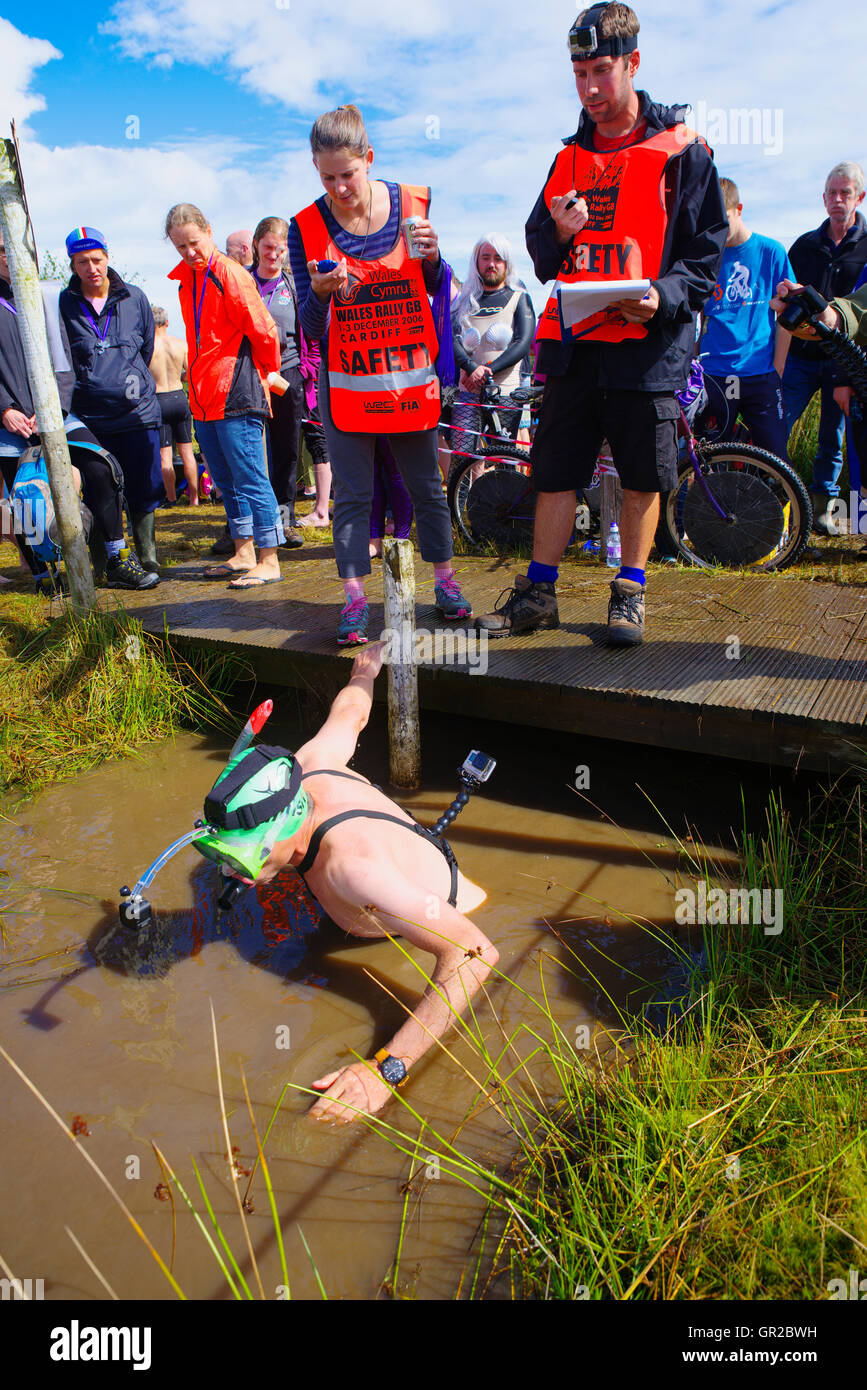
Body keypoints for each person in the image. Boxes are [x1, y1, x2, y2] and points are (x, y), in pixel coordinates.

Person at [476, 3, 726, 646]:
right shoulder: (566, 159)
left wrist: (664, 297)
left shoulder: (684, 151)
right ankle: (537, 596)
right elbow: (538, 252)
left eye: (602, 71)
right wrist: (557, 232)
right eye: (579, 72)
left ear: (633, 64)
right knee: (555, 469)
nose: (589, 87)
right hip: (572, 345)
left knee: (642, 474)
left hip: (647, 347)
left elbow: (704, 261)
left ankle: (630, 593)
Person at [226, 641, 497, 1122]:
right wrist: (365, 672)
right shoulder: (309, 764)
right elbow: (350, 712)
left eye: (246, 856)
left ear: (286, 828)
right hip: (389, 885)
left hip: (440, 918)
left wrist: (386, 1071)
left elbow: (476, 957)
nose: (233, 871)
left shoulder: (352, 869)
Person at [288, 103, 472, 646]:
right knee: (351, 495)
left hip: (410, 383)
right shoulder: (306, 227)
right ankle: (352, 601)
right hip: (346, 388)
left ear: (368, 159)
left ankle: (445, 582)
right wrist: (321, 295)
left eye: (348, 174)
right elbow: (310, 324)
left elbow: (436, 286)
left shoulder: (412, 207)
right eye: (328, 177)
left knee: (426, 489)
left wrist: (436, 259)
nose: (340, 187)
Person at [165, 203, 287, 587]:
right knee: (225, 479)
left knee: (251, 476)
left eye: (194, 243)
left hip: (237, 390)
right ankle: (243, 550)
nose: (189, 253)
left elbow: (264, 330)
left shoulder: (229, 274)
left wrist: (268, 374)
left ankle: (269, 558)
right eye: (180, 247)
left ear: (209, 231)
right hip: (202, 396)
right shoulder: (187, 280)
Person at [43, 227, 160, 587]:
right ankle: (102, 561)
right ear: (73, 265)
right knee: (99, 487)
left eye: (97, 259)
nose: (92, 268)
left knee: (144, 485)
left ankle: (147, 554)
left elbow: (146, 348)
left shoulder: (134, 297)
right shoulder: (63, 303)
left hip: (137, 411)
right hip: (91, 417)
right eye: (82, 262)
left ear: (108, 257)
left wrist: (131, 378)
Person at [783, 162, 867, 533]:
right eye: (831, 192)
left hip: (843, 360)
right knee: (776, 426)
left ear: (859, 197)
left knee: (832, 439)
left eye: (845, 193)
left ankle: (823, 512)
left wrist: (848, 376)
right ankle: (774, 497)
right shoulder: (803, 246)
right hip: (801, 358)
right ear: (823, 198)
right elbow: (784, 302)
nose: (837, 199)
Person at [698, 178, 794, 459]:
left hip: (760, 373)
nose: (719, 230)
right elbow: (698, 315)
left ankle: (779, 503)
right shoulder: (707, 257)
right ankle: (707, 504)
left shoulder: (771, 251)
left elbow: (787, 313)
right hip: (715, 373)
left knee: (775, 459)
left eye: (724, 219)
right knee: (710, 458)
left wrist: (778, 368)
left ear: (738, 209)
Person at [449, 236, 536, 462]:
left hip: (505, 391)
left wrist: (485, 370)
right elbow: (450, 339)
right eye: (485, 258)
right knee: (463, 459)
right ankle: (467, 498)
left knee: (505, 459)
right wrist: (470, 368)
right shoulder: (463, 301)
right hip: (468, 390)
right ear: (476, 262)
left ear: (507, 263)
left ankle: (507, 498)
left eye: (498, 259)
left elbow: (522, 342)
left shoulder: (519, 298)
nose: (491, 264)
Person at [249, 217, 304, 548]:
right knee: (249, 453)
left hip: (288, 374)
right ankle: (243, 527)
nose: (273, 254)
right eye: (268, 247)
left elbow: (309, 329)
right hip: (250, 377)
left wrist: (307, 371)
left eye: (280, 249)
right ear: (256, 245)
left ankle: (285, 523)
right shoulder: (242, 281)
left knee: (285, 452)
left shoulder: (293, 285)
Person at [149, 305, 198, 505]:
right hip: (179, 397)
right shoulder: (180, 344)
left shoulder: (148, 348)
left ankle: (170, 497)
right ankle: (194, 498)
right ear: (167, 323)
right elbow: (191, 373)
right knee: (187, 451)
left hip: (159, 398)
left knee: (165, 455)